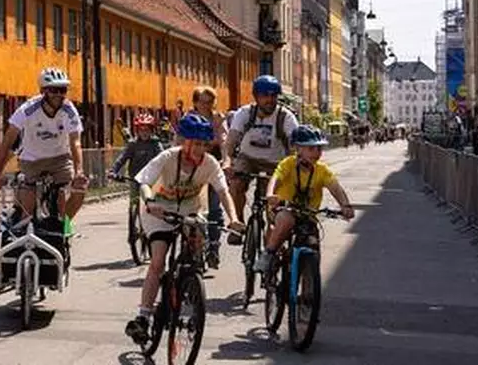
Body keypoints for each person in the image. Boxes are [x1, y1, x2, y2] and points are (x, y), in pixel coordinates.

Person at [124, 113, 242, 344]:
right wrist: (150, 202)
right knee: (158, 261)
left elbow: (223, 192)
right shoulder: (168, 157)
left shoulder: (210, 163)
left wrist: (234, 218)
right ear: (183, 141)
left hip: (190, 211)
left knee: (195, 245)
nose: (200, 149)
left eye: (204, 144)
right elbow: (145, 182)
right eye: (195, 143)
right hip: (159, 211)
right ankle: (143, 316)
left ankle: (188, 283)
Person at [0, 67, 88, 229]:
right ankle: (23, 228)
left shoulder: (69, 110)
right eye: (54, 90)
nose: (59, 95)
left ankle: (63, 226)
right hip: (32, 159)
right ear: (43, 91)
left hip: (60, 159)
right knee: (27, 208)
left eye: (63, 90)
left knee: (76, 190)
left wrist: (79, 171)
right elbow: (8, 141)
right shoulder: (28, 110)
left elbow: (75, 142)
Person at [255, 125, 355, 273]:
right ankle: (268, 254)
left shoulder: (322, 170)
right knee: (286, 220)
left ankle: (310, 278)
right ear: (298, 149)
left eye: (319, 148)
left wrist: (345, 205)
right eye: (311, 148)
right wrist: (270, 194)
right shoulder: (288, 164)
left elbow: (336, 188)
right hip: (284, 209)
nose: (316, 153)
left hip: (308, 214)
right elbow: (275, 178)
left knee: (313, 242)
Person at [221, 75, 299, 245]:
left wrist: (294, 165)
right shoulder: (245, 113)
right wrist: (227, 161)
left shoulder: (285, 117)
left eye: (273, 95)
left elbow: (295, 145)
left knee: (272, 201)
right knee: (236, 184)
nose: (270, 100)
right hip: (248, 158)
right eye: (265, 95)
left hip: (275, 162)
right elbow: (231, 141)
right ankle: (238, 224)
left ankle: (272, 233)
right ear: (256, 96)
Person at [191, 86, 227, 269]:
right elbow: (179, 141)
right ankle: (192, 248)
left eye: (210, 102)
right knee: (189, 209)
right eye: (203, 102)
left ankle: (213, 247)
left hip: (212, 165)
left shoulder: (218, 119)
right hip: (192, 167)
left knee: (213, 208)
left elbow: (224, 141)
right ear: (195, 103)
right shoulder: (189, 119)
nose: (206, 105)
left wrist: (226, 160)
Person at [109, 112, 165, 188]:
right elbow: (121, 159)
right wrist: (113, 171)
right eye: (141, 130)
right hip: (135, 180)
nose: (144, 133)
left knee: (152, 195)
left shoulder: (155, 144)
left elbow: (163, 158)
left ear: (151, 130)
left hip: (151, 180)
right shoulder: (133, 144)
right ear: (137, 131)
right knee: (134, 195)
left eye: (146, 130)